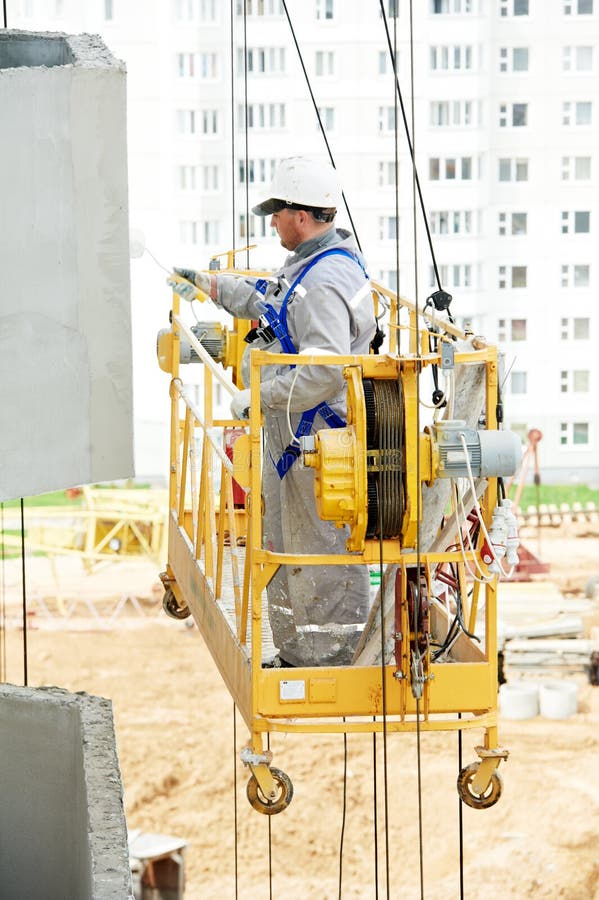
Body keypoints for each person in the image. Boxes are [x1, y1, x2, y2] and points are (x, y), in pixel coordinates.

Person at [170, 156, 376, 667]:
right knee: (281, 546)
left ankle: (334, 657)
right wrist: (211, 286)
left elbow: (325, 371)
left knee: (319, 552)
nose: (271, 222)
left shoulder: (326, 280)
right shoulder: (311, 262)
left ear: (300, 215)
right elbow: (273, 304)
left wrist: (255, 397)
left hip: (318, 443)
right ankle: (293, 651)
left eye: (277, 213)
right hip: (294, 438)